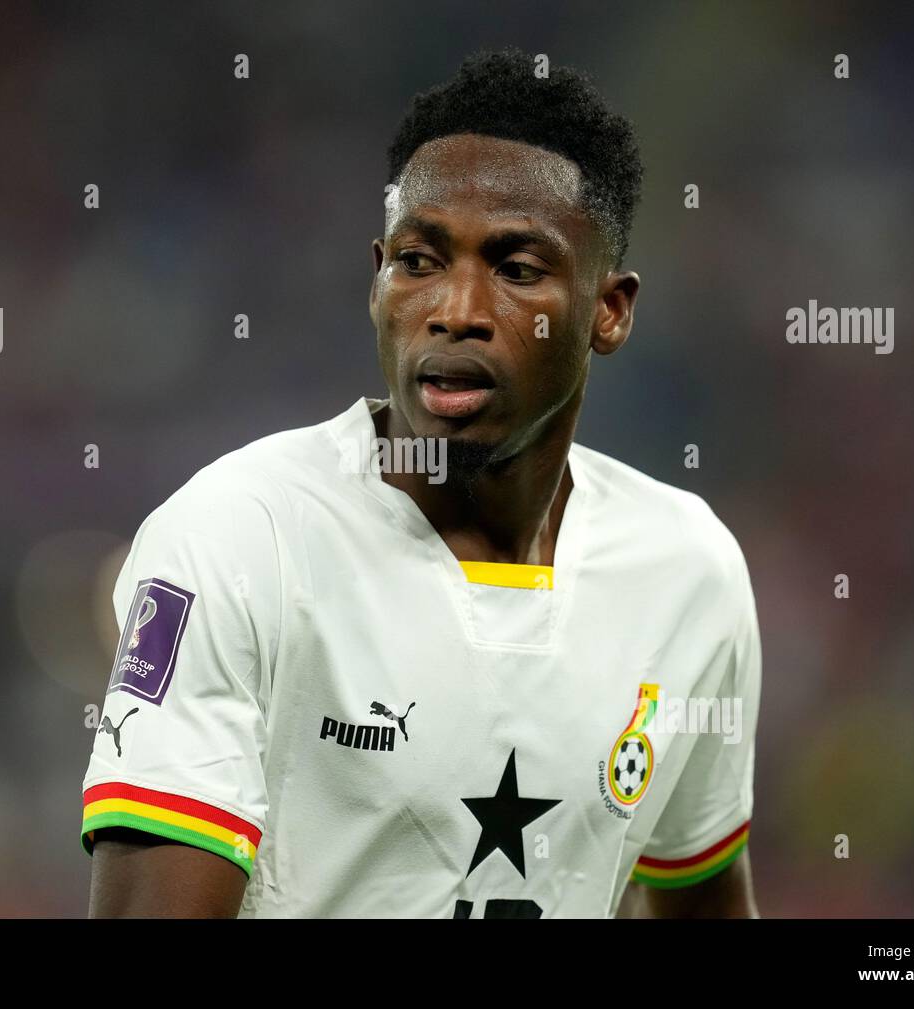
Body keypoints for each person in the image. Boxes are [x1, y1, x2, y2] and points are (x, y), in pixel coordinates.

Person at [82, 47, 761, 918]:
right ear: (377, 281)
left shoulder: (687, 571)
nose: (456, 309)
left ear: (609, 309)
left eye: (517, 270)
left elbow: (696, 903)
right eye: (418, 261)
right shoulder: (237, 539)